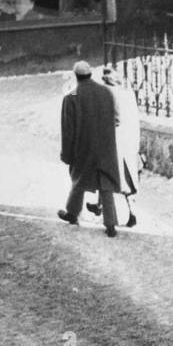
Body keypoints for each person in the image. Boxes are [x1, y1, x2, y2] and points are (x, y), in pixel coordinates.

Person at [58, 60, 121, 237]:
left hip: (84, 146)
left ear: (76, 76)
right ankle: (110, 224)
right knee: (105, 183)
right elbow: (116, 119)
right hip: (106, 146)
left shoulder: (71, 97)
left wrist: (67, 154)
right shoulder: (106, 92)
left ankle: (72, 213)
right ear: (90, 74)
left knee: (79, 180)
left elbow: (67, 130)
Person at [87, 65, 140, 228]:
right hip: (129, 143)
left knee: (110, 177)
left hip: (115, 144)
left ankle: (115, 212)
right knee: (128, 178)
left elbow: (114, 121)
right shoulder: (128, 95)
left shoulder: (110, 95)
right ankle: (129, 212)